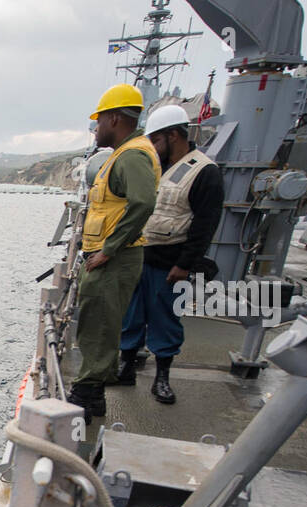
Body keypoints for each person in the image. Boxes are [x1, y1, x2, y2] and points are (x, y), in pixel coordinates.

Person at [115, 103, 225, 405]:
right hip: (139, 256)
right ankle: (126, 366)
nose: (152, 147)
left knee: (165, 319)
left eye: (156, 140)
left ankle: (162, 377)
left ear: (174, 135)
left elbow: (205, 224)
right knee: (132, 314)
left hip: (170, 262)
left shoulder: (204, 172)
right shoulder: (156, 168)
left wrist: (184, 265)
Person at [68, 83, 161, 424]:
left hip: (115, 259)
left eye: (100, 121)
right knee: (98, 322)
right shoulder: (125, 153)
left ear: (115, 118)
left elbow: (143, 203)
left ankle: (85, 395)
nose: (96, 128)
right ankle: (92, 396)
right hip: (112, 257)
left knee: (100, 326)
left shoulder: (133, 155)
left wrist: (108, 250)